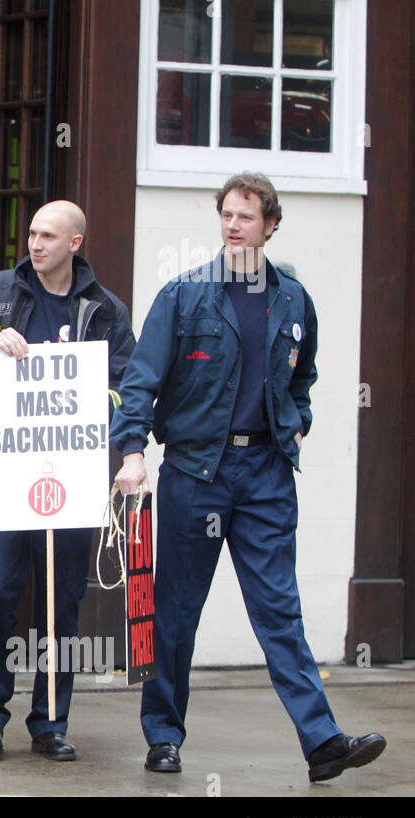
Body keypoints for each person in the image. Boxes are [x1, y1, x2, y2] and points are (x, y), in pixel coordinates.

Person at [111, 172, 385, 782]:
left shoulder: (293, 299)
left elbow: (302, 374)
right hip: (196, 473)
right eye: (227, 215)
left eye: (246, 217)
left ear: (271, 225)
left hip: (265, 472)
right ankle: (163, 735)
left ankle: (322, 744)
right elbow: (141, 382)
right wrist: (133, 452)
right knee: (177, 613)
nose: (233, 225)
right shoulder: (184, 296)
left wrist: (300, 421)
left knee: (280, 611)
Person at [0, 201, 135, 762]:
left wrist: (94, 397)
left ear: (76, 243)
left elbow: (130, 383)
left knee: (59, 604)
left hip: (67, 482)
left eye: (49, 235)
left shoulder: (104, 310)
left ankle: (50, 722)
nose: (35, 243)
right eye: (31, 233)